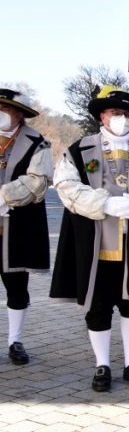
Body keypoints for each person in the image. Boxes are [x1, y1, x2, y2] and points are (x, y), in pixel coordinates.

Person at [51, 86, 129, 392]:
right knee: (98, 307)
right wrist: (102, 204)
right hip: (96, 243)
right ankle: (102, 364)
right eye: (114, 113)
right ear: (102, 116)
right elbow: (65, 186)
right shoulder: (80, 149)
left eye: (126, 114)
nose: (121, 119)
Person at [0, 89, 52, 365]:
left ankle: (14, 341)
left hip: (17, 225)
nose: (1, 112)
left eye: (6, 108)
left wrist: (3, 196)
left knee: (17, 286)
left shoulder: (37, 142)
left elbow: (38, 181)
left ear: (19, 114)